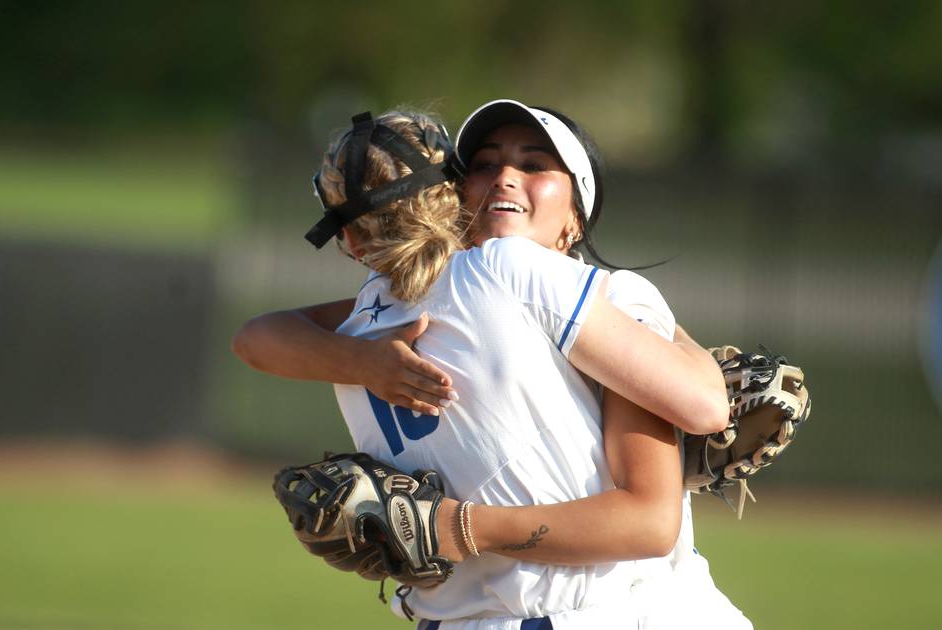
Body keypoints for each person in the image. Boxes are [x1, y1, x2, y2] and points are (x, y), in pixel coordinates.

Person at [233, 104, 747, 628]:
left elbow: (255, 337)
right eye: (484, 164)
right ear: (451, 193)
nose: (505, 176)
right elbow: (696, 427)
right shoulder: (507, 273)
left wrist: (356, 359)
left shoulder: (365, 315)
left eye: (534, 165)